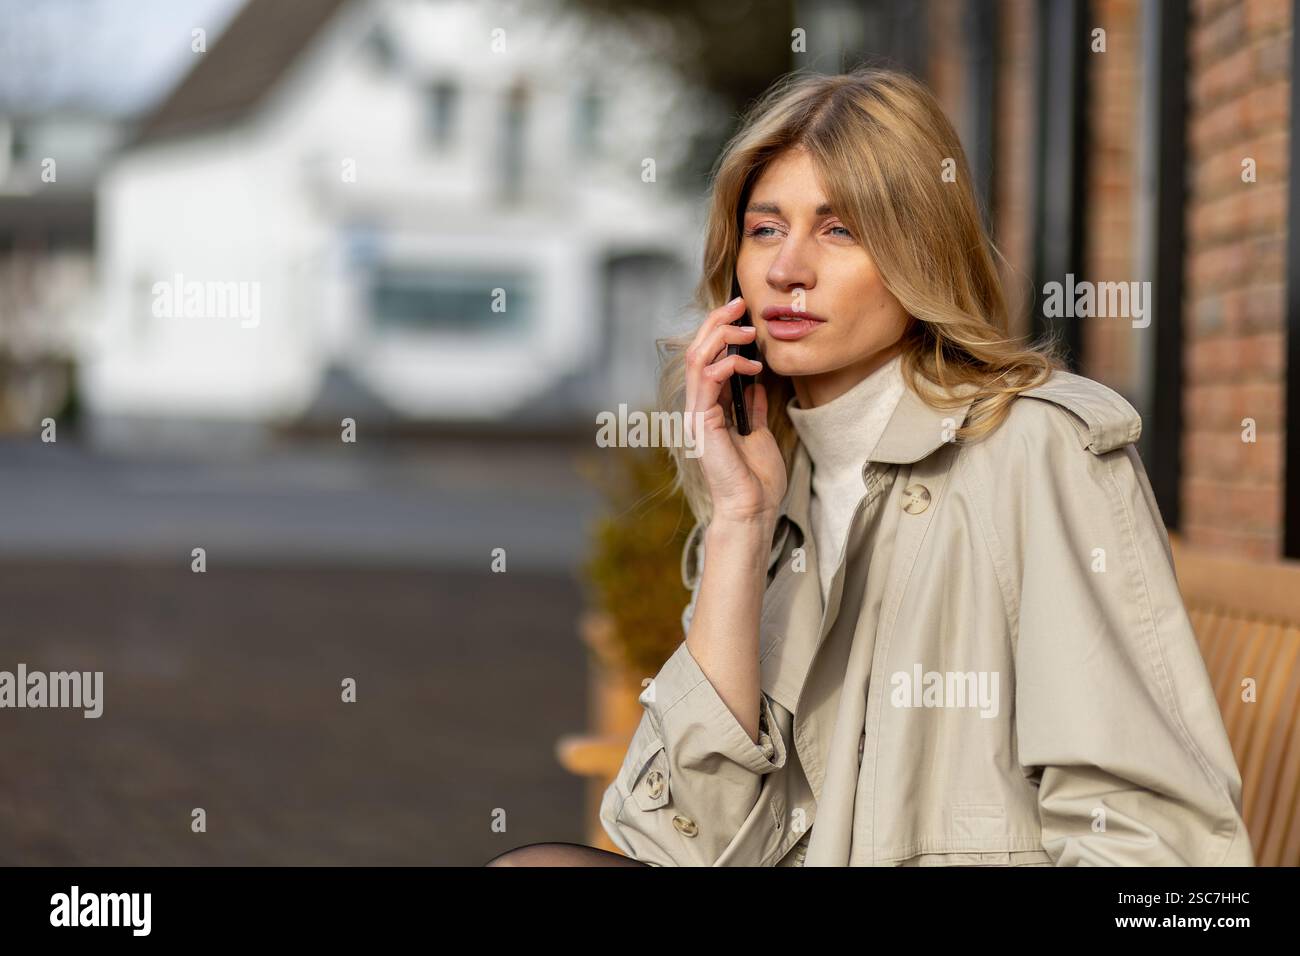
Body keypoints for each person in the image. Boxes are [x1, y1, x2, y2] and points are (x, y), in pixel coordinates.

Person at [486, 66, 1253, 867]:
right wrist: (739, 529)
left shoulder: (1037, 451)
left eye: (841, 229)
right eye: (765, 228)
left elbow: (1161, 849)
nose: (790, 269)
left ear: (920, 250)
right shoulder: (772, 483)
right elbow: (679, 842)